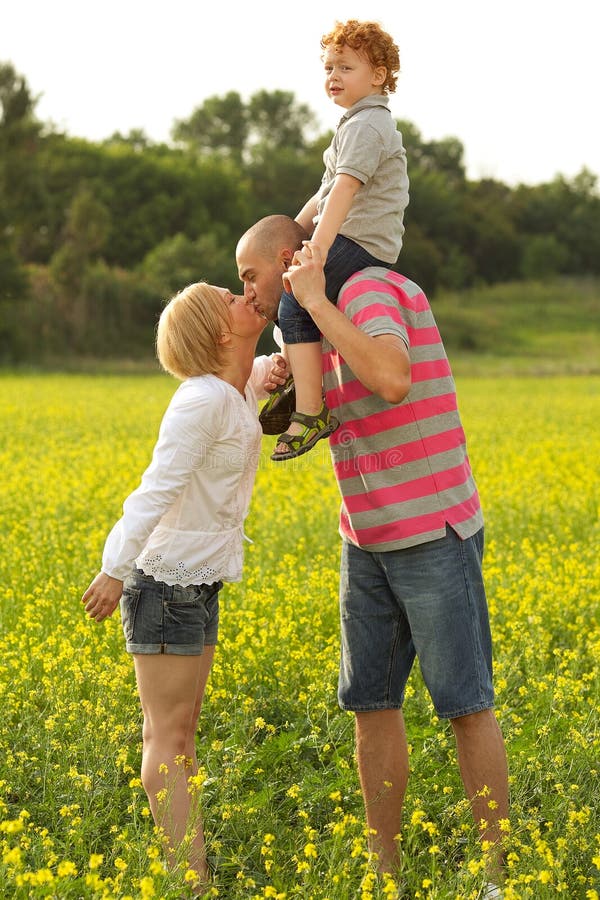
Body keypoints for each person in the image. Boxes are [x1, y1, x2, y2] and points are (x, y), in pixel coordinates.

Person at [236, 216, 509, 896]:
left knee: (465, 705)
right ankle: (382, 873)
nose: (248, 291)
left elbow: (390, 378)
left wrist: (317, 303)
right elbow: (323, 407)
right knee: (372, 704)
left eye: (250, 276)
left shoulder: (366, 291)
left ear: (284, 258)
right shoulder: (305, 322)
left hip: (431, 531)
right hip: (365, 535)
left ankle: (497, 878)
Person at [82, 282, 270, 894]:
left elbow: (278, 358)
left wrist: (318, 217)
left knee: (183, 733)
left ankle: (192, 872)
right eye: (230, 295)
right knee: (167, 737)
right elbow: (156, 488)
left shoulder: (236, 389)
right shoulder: (203, 400)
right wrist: (115, 568)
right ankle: (189, 881)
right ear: (220, 332)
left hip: (199, 583)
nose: (243, 292)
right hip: (162, 584)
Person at [262, 18, 409, 462]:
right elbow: (323, 192)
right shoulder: (355, 124)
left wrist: (316, 251)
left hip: (360, 238)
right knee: (287, 300)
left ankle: (310, 409)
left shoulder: (368, 126)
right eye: (328, 68)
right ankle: (301, 376)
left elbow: (344, 190)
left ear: (378, 75)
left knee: (297, 299)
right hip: (347, 232)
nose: (332, 77)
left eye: (345, 68)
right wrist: (289, 233)